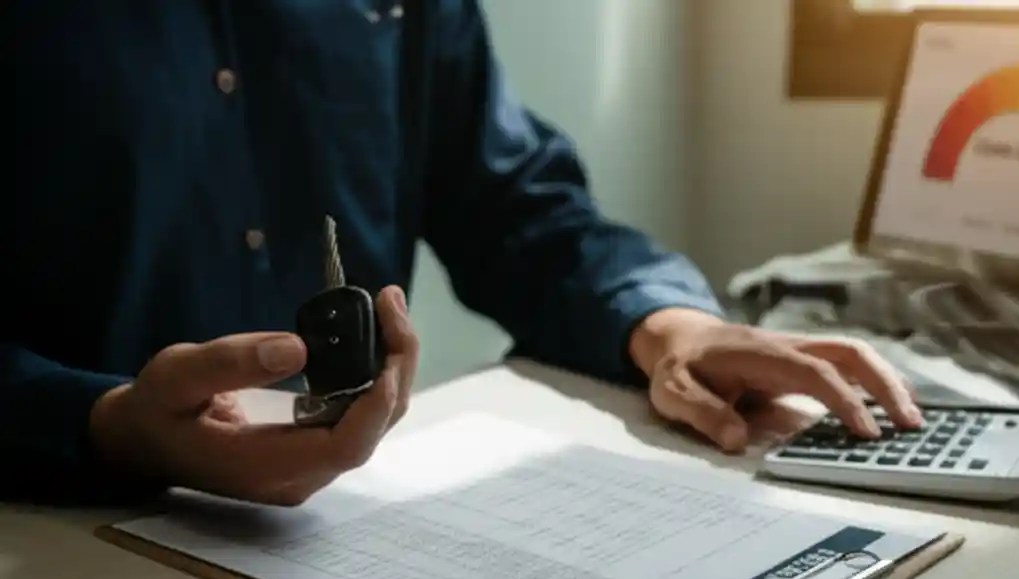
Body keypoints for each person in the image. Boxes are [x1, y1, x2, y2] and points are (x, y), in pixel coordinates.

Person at [4, 0, 921, 506]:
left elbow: (512, 204)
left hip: (341, 544)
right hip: (53, 550)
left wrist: (665, 322)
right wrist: (103, 424)